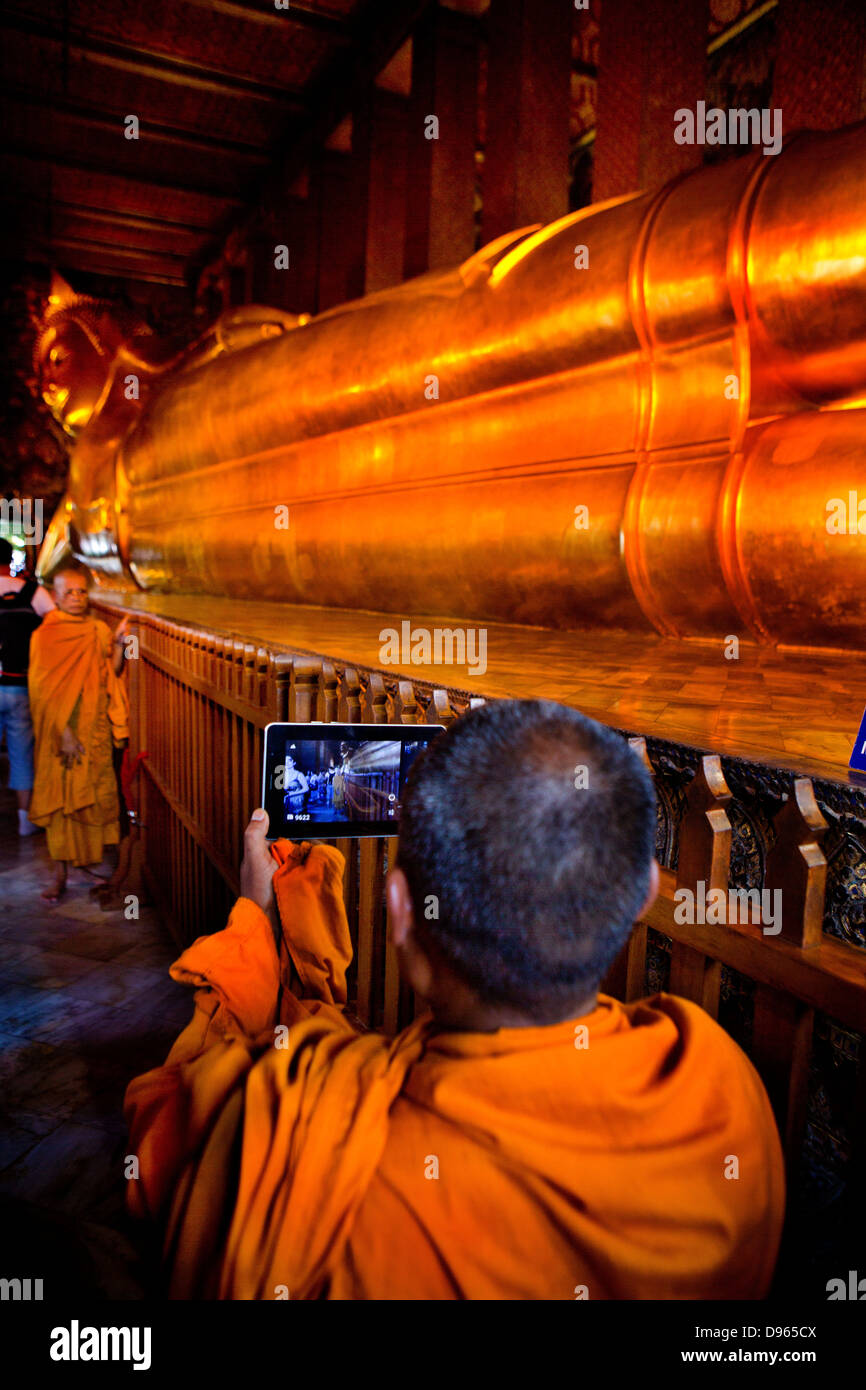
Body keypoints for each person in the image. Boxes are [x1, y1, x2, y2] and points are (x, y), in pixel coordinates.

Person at [125, 699, 785, 1300]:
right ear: (642, 895)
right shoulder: (718, 1087)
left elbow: (166, 1145)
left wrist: (254, 918)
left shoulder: (304, 1131)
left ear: (400, 910)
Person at [28, 562, 129, 902]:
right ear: (55, 597)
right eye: (68, 592)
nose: (75, 597)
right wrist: (64, 733)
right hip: (60, 734)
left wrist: (120, 644)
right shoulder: (45, 635)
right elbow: (41, 690)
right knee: (60, 804)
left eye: (81, 591)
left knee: (94, 797)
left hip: (93, 729)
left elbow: (110, 672)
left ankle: (89, 863)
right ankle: (59, 876)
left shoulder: (97, 630)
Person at [0, 538, 55, 835]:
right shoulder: (34, 593)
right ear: (11, 560)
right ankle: (24, 820)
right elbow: (56, 629)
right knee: (22, 752)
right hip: (22, 684)